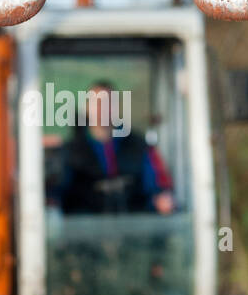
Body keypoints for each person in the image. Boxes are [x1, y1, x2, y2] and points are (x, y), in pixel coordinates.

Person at [58, 81, 175, 215]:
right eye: (96, 103)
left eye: (108, 103)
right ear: (87, 108)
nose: (102, 109)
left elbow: (157, 187)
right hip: (84, 230)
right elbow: (60, 191)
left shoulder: (139, 147)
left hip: (134, 227)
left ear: (117, 107)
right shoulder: (70, 151)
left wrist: (161, 199)